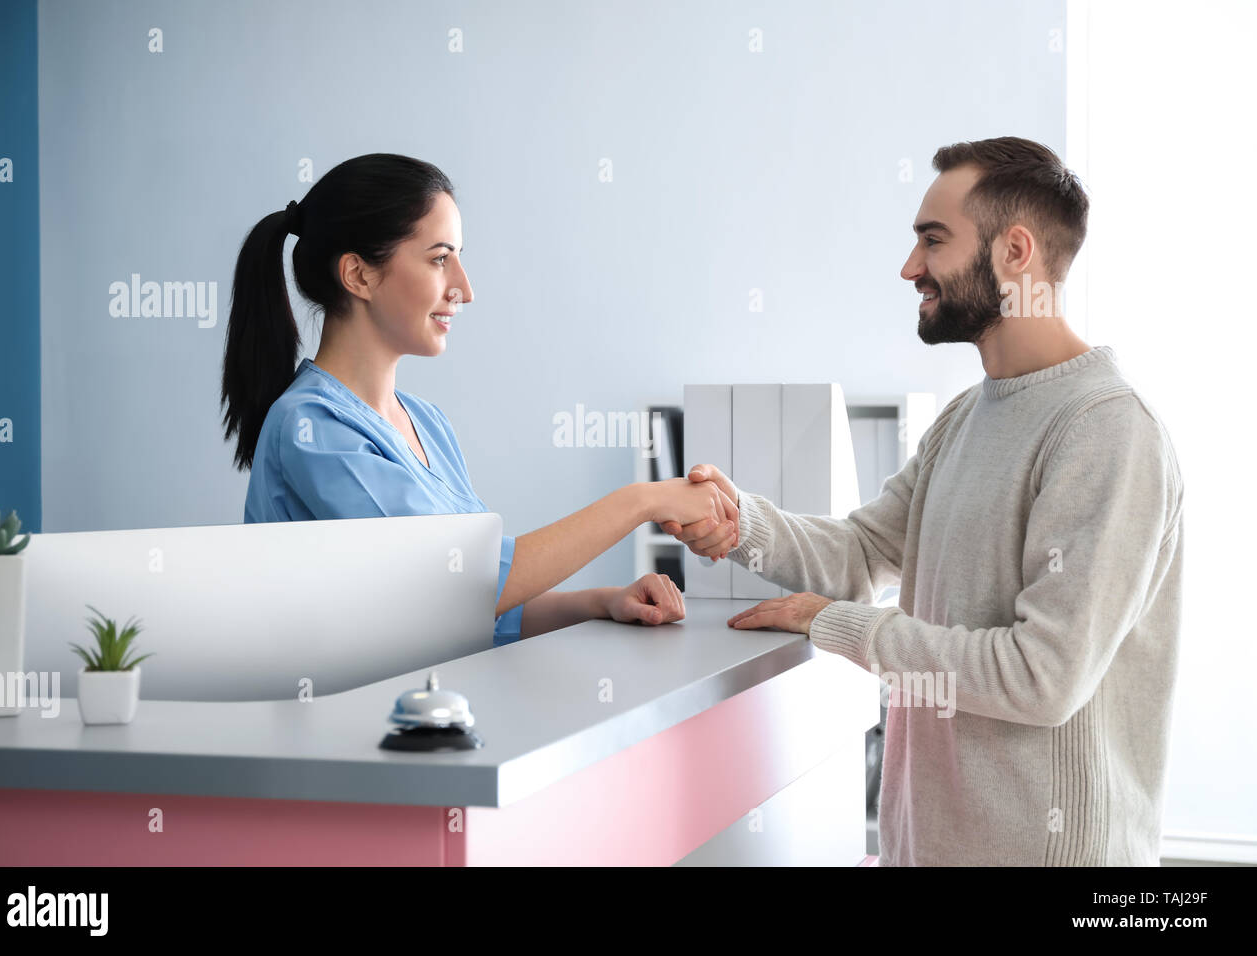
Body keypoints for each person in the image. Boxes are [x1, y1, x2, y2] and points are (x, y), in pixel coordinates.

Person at [665, 137, 1184, 867]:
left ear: (1015, 252)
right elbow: (862, 552)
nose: (911, 268)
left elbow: (1042, 679)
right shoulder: (965, 419)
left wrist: (838, 626)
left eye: (932, 241)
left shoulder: (1106, 431)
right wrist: (739, 523)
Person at [220, 153, 738, 645]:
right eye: (440, 259)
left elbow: (471, 606)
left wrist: (599, 602)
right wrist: (642, 500)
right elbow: (460, 586)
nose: (464, 289)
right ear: (358, 274)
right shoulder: (310, 429)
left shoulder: (427, 424)